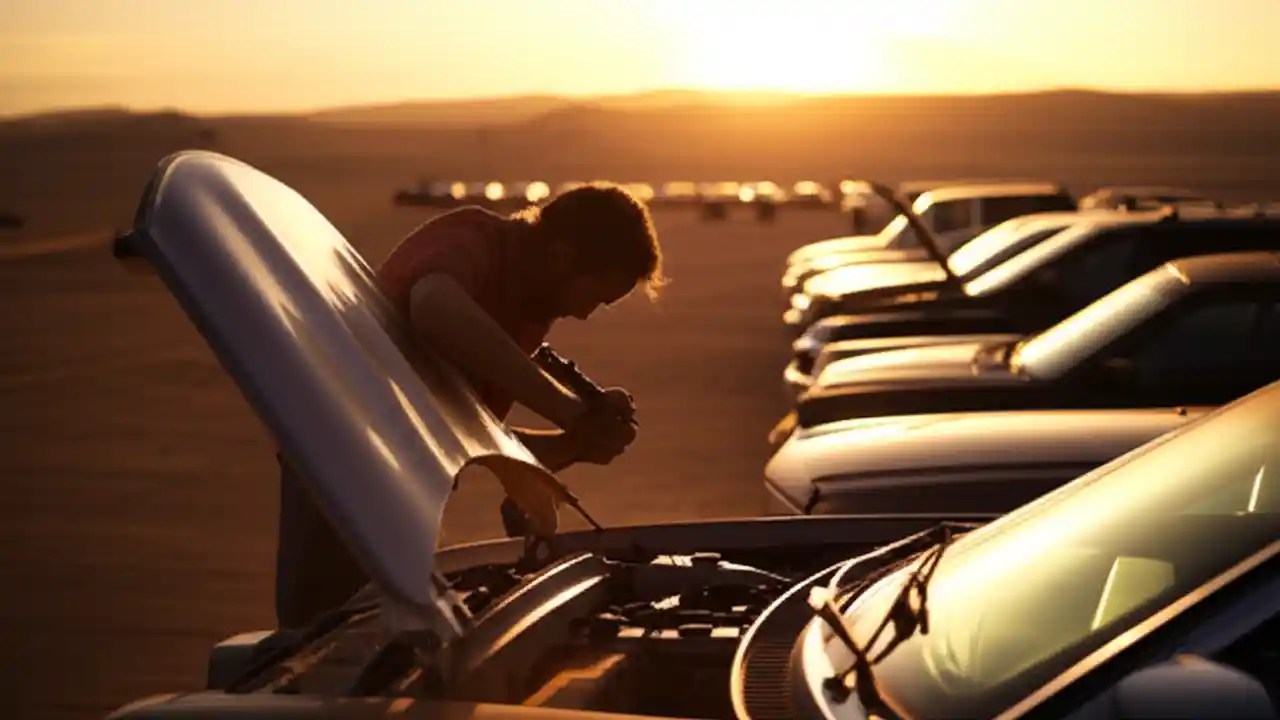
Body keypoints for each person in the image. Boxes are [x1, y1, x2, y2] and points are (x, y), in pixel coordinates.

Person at [274, 183, 666, 629]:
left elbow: (463, 437)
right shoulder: (474, 239)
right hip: (340, 468)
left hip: (401, 486)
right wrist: (567, 409)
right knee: (316, 639)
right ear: (561, 257)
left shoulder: (525, 307)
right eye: (594, 297)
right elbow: (432, 307)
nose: (585, 315)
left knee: (373, 637)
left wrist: (575, 444)